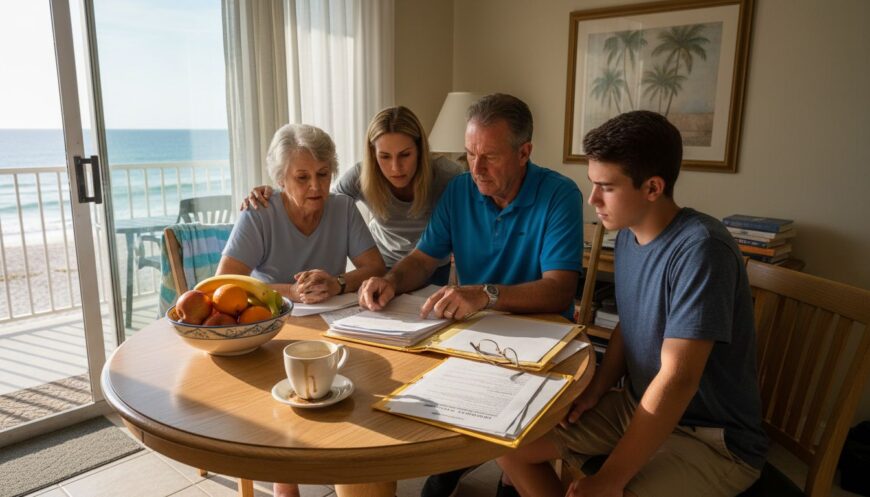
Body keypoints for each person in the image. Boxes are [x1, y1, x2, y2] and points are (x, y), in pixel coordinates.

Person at [497, 110, 767, 497]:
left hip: (712, 439)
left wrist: (609, 480)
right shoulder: (625, 235)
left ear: (653, 188)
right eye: (592, 184)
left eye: (606, 186)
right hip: (636, 407)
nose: (592, 199)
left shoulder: (703, 249)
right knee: (508, 445)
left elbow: (678, 380)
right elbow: (632, 323)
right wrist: (596, 389)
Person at [356, 93, 584, 497]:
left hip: (540, 341)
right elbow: (425, 259)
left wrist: (486, 294)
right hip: (473, 337)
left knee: (504, 442)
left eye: (490, 157)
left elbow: (560, 289)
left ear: (524, 152)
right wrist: (392, 279)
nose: (476, 168)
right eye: (469, 153)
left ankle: (498, 471)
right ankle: (460, 463)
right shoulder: (460, 190)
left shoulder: (559, 194)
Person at [242, 106, 463, 285]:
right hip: (384, 266)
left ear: (420, 151)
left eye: (405, 155)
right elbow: (324, 199)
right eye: (384, 156)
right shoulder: (362, 175)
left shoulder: (446, 176)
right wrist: (276, 192)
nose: (396, 167)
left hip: (432, 265)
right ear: (373, 155)